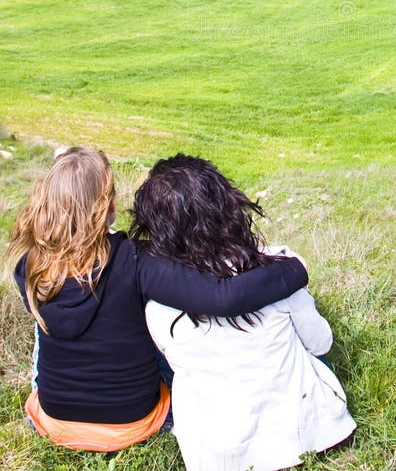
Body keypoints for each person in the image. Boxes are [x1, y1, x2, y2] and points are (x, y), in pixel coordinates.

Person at [9, 147, 308, 453]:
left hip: (55, 421)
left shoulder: (28, 266)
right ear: (106, 206)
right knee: (156, 315)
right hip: (133, 422)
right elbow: (223, 297)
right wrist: (295, 268)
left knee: (42, 321)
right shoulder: (135, 260)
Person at [131, 154, 356, 471]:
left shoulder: (158, 308)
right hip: (312, 432)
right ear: (226, 206)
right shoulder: (274, 270)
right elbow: (321, 343)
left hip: (220, 453)